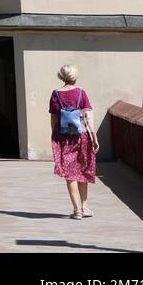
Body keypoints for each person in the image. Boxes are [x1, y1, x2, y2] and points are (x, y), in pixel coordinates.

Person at [49, 64, 99, 219]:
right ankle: (85, 207)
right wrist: (94, 136)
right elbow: (88, 115)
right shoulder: (81, 93)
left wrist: (54, 135)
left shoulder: (55, 94)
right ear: (75, 76)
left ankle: (76, 210)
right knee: (83, 169)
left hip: (63, 137)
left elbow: (54, 117)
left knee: (70, 173)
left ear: (61, 76)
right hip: (82, 135)